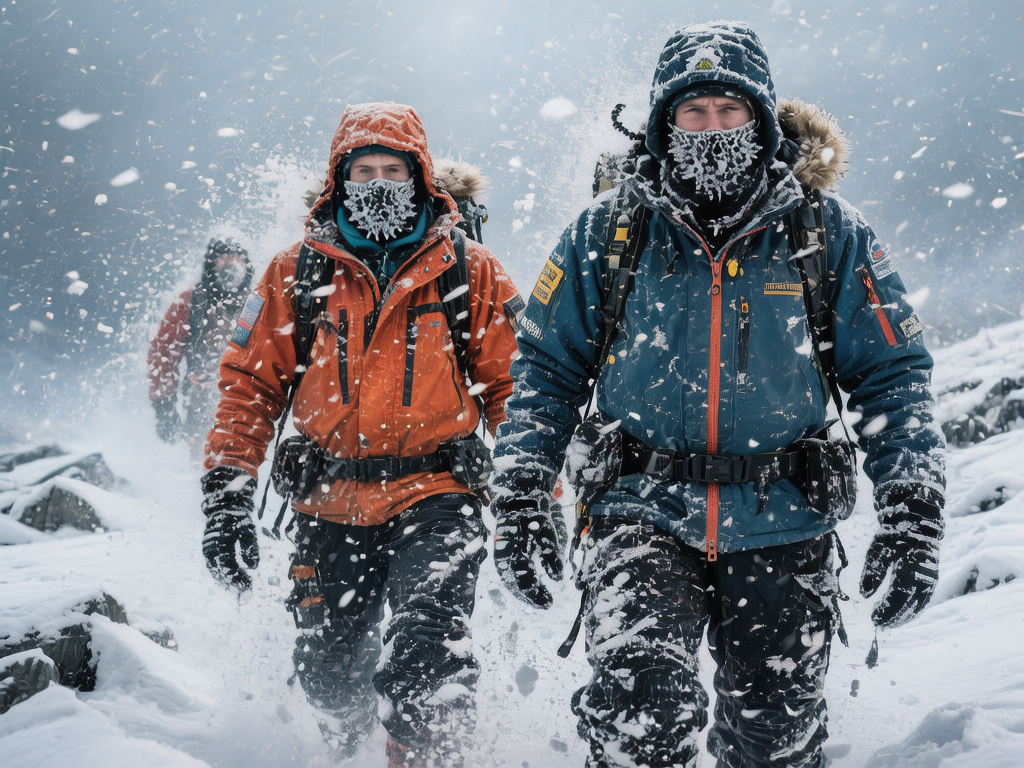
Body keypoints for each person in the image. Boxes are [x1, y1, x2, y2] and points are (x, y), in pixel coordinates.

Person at [489, 21, 946, 768]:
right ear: (664, 122)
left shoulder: (827, 233)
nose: (710, 128)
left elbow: (892, 377)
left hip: (784, 521)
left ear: (762, 117)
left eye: (728, 110)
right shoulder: (608, 232)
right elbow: (545, 373)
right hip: (636, 512)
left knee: (775, 743)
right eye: (692, 112)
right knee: (640, 720)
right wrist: (519, 498)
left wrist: (913, 508)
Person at [199, 102, 522, 768]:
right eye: (364, 170)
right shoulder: (296, 272)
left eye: (393, 170)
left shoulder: (472, 270)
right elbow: (249, 387)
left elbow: (516, 389)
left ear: (421, 178)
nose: (378, 182)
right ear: (339, 180)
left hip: (438, 496)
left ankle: (430, 753)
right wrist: (226, 493)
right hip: (327, 500)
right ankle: (346, 749)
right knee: (327, 670)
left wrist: (530, 497)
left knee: (428, 653)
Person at [147, 237, 253, 460]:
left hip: (247, 405)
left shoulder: (255, 304)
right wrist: (164, 406)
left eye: (237, 257)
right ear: (211, 263)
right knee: (202, 464)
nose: (231, 263)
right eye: (223, 257)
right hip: (200, 402)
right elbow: (163, 354)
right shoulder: (191, 302)